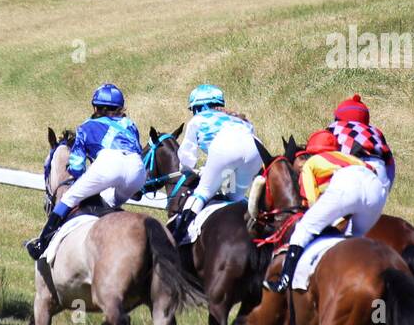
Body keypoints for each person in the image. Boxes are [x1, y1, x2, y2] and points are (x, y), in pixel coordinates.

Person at [26, 84, 146, 260]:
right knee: (109, 202)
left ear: (95, 107)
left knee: (68, 199)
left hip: (108, 164)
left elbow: (76, 166)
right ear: (120, 107)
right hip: (137, 170)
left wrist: (81, 176)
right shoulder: (131, 125)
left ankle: (41, 244)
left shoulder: (86, 126)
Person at [266, 128, 388, 293]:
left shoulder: (310, 163)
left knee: (304, 228)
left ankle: (284, 281)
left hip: (348, 185)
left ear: (306, 155)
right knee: (355, 240)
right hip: (375, 187)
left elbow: (311, 202)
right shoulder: (348, 157)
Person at [168, 84, 261, 243]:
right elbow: (233, 164)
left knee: (202, 192)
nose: (194, 112)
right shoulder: (241, 120)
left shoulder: (197, 119)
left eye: (194, 108)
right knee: (235, 197)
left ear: (200, 106)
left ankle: (178, 236)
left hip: (226, 149)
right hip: (255, 149)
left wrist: (187, 170)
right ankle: (257, 228)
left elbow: (186, 158)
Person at [327, 94, 396, 193]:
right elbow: (390, 162)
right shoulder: (376, 132)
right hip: (378, 174)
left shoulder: (335, 127)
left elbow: (321, 153)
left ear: (337, 118)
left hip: (350, 171)